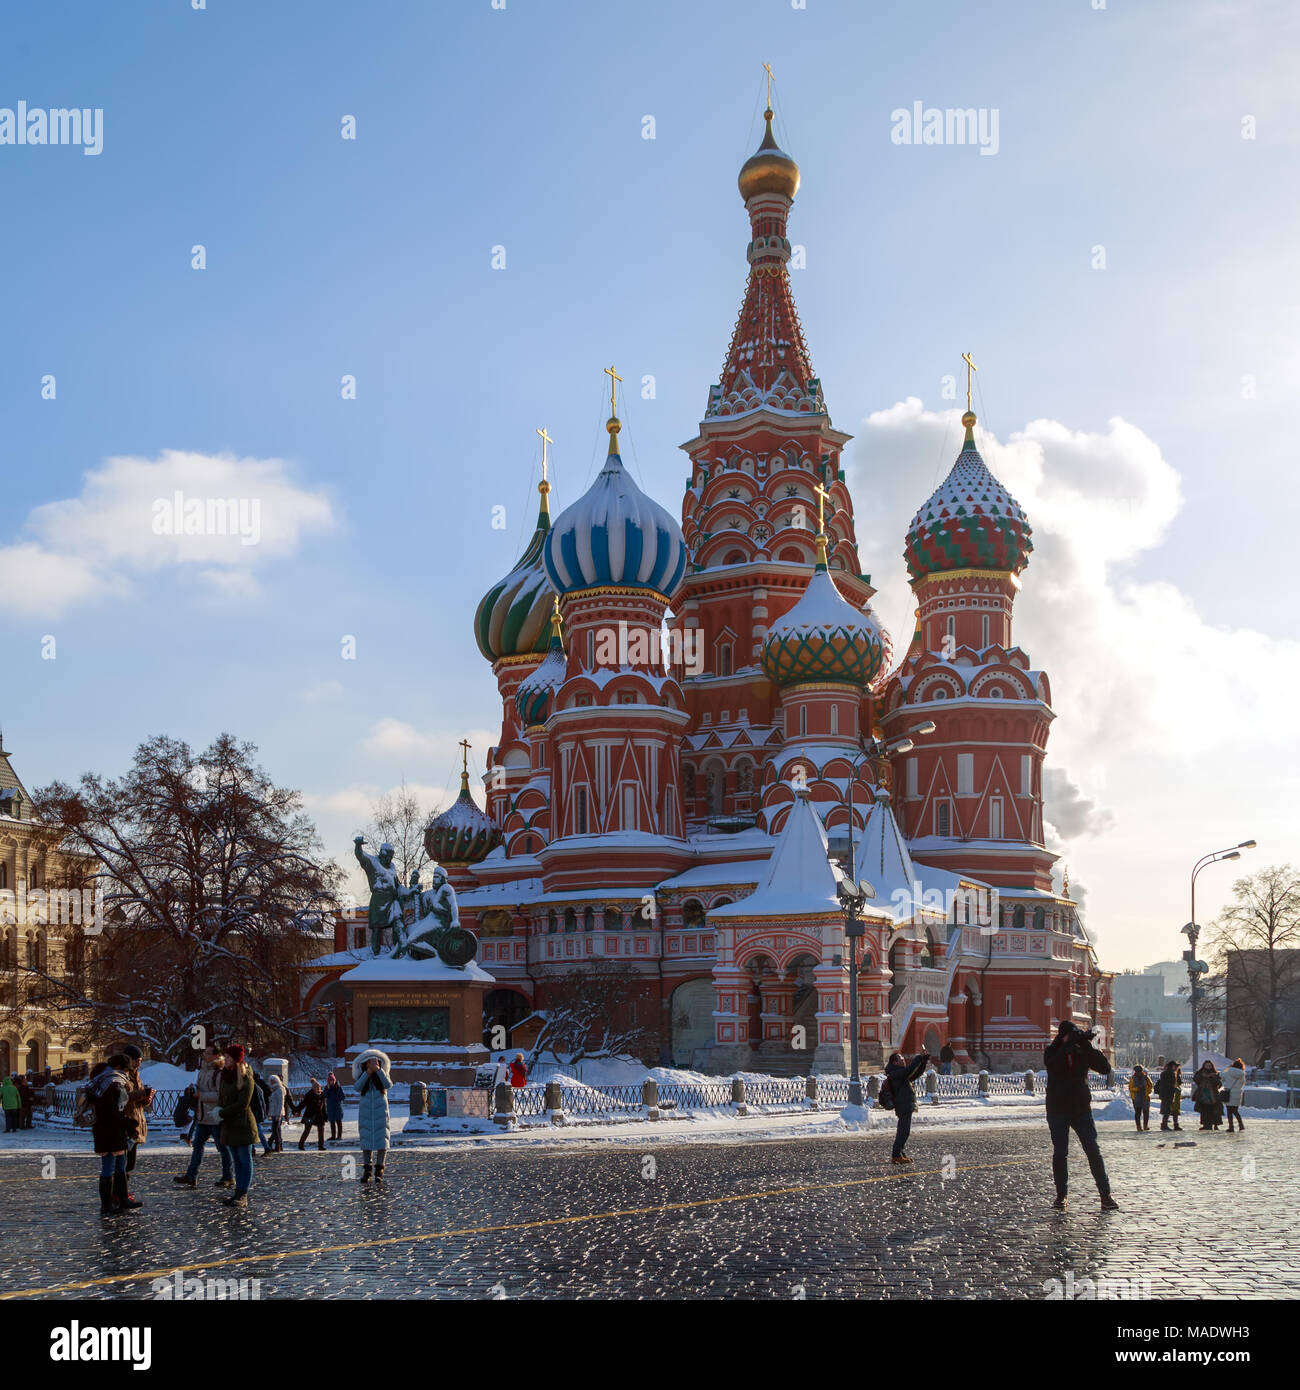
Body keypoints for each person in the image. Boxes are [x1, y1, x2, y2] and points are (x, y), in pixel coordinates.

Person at [1043, 1020, 1117, 1211]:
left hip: (1081, 1109)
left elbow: (1105, 1068)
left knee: (1093, 1151)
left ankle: (1105, 1195)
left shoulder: (1082, 1051)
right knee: (1060, 1153)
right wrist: (1066, 1045)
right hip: (1057, 1109)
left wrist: (1087, 1046)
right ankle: (1061, 1196)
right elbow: (1053, 1066)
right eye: (1070, 1035)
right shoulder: (1052, 1051)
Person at [174, 1044, 233, 1189]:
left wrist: (202, 1095)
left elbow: (221, 1095)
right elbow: (201, 1088)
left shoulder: (219, 1072)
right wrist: (193, 1089)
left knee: (223, 1148)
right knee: (197, 1146)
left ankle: (228, 1177)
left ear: (215, 1056)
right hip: (202, 1115)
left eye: (207, 1053)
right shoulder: (203, 1070)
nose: (204, 1055)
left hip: (214, 1116)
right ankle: (191, 1175)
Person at [90, 1055, 139, 1215]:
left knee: (120, 1165)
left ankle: (121, 1199)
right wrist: (128, 1124)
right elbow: (112, 1111)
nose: (128, 1073)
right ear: (119, 1067)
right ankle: (107, 1205)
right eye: (126, 1069)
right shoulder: (113, 1083)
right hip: (110, 1131)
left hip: (109, 1130)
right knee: (109, 1166)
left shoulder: (103, 1080)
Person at [217, 1043, 256, 1207]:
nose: (224, 1060)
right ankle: (237, 1193)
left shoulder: (245, 1076)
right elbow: (222, 1096)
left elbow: (243, 1103)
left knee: (244, 1160)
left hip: (242, 1124)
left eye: (228, 1058)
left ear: (235, 1060)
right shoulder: (225, 1075)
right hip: (229, 1125)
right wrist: (220, 1109)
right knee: (236, 1160)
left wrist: (222, 1112)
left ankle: (243, 1193)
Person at [120, 1044, 154, 1203]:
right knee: (123, 1163)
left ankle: (123, 1193)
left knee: (130, 1163)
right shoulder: (122, 1076)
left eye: (140, 1061)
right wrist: (142, 1093)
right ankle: (120, 1194)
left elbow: (139, 1102)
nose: (138, 1064)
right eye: (136, 1061)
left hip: (137, 1121)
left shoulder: (136, 1075)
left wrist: (147, 1099)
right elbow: (124, 1098)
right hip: (127, 1122)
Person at [882, 1050, 929, 1163]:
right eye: (901, 1058)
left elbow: (915, 1073)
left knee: (904, 1131)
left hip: (905, 1105)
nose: (903, 1060)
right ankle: (896, 1154)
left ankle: (900, 1152)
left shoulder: (900, 1073)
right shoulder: (895, 1074)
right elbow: (910, 1069)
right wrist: (919, 1057)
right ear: (895, 1062)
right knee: (903, 1131)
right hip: (902, 1105)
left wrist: (923, 1062)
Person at [355, 1054, 392, 1183]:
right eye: (369, 1062)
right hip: (366, 1114)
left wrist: (378, 1070)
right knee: (366, 1142)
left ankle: (380, 1169)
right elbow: (357, 1087)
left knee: (382, 1141)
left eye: (375, 1062)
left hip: (380, 1113)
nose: (372, 1064)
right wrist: (368, 1073)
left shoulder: (382, 1076)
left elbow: (388, 1084)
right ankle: (367, 1170)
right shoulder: (363, 1076)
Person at [295, 1078, 328, 1150]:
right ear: (313, 1088)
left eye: (319, 1087)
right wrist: (296, 1109)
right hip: (309, 1115)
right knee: (307, 1130)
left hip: (319, 1115)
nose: (318, 1089)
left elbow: (323, 1107)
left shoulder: (322, 1095)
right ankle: (301, 1145)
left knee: (321, 1130)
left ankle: (321, 1146)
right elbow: (303, 1104)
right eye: (316, 1087)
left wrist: (325, 1116)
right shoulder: (309, 1095)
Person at [1192, 1060, 1223, 1130]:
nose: (1208, 1067)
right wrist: (1202, 1076)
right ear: (1204, 1066)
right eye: (1207, 1065)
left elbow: (1219, 1084)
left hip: (1212, 1096)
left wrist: (1214, 1077)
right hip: (1202, 1095)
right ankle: (1205, 1124)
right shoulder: (1200, 1073)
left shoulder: (1215, 1074)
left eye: (1209, 1065)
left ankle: (1213, 1124)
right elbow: (1196, 1080)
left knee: (1213, 1110)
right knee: (1204, 1111)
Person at [1154, 1060, 1183, 1132]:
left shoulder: (1173, 1073)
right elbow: (1167, 1084)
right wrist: (1173, 1087)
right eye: (1175, 1066)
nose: (1176, 1067)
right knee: (1166, 1110)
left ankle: (1165, 1125)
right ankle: (1164, 1125)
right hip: (1167, 1094)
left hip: (1169, 1094)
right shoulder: (1168, 1073)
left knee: (1168, 1110)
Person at [1221, 1057, 1247, 1133]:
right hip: (1237, 1093)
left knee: (1229, 1111)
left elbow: (1221, 1075)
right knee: (1235, 1111)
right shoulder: (1242, 1074)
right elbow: (1243, 1083)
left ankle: (1231, 1127)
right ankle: (1241, 1125)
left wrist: (1227, 1068)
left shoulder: (1229, 1071)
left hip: (1229, 1093)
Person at [265, 1075, 289, 1153]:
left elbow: (280, 1103)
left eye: (272, 1080)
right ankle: (276, 1145)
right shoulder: (275, 1089)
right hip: (274, 1112)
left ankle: (276, 1145)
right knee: (276, 1129)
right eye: (270, 1080)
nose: (271, 1082)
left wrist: (278, 1114)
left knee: (275, 1129)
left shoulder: (279, 1090)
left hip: (277, 1112)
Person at [1128, 1064, 1153, 1132]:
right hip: (1136, 1098)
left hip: (1145, 1097)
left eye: (1140, 1071)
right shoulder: (1133, 1078)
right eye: (1137, 1071)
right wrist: (1137, 1089)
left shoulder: (1146, 1077)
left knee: (1146, 1112)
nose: (1139, 1073)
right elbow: (1130, 1088)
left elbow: (1151, 1086)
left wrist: (1147, 1092)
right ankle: (1138, 1126)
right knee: (1138, 1112)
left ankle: (1145, 1125)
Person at [324, 1072, 346, 1141]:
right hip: (330, 1108)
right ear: (328, 1081)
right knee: (332, 1122)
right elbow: (324, 1095)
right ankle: (333, 1136)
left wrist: (337, 1099)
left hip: (337, 1108)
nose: (332, 1082)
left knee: (339, 1122)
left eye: (333, 1080)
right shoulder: (326, 1088)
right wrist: (328, 1089)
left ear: (335, 1080)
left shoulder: (338, 1087)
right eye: (330, 1081)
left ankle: (339, 1136)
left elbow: (343, 1097)